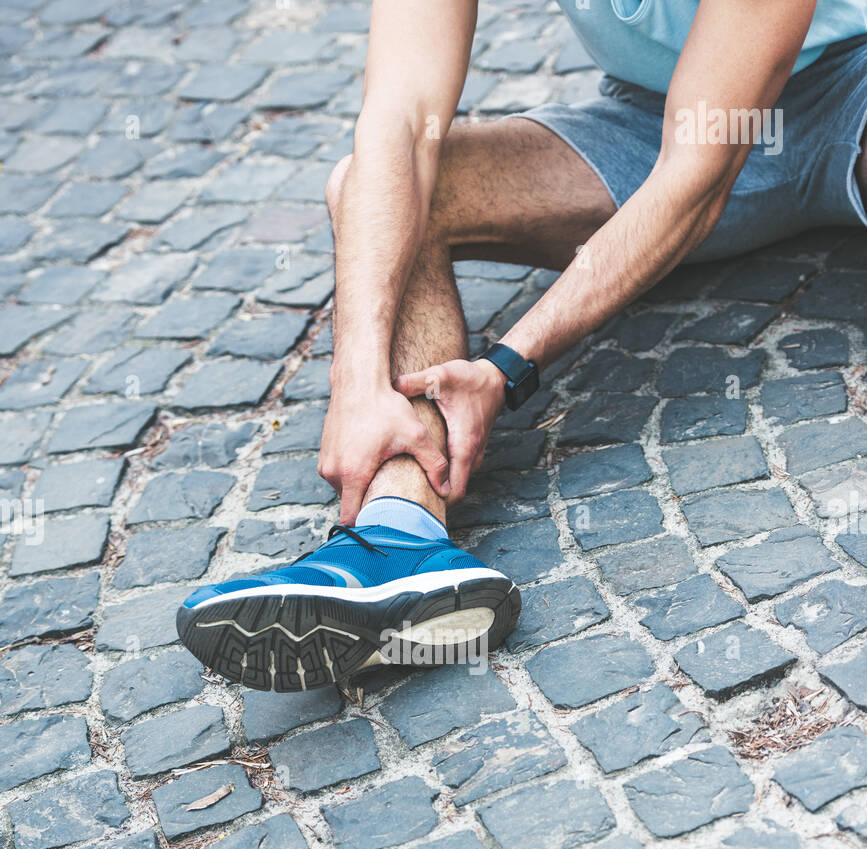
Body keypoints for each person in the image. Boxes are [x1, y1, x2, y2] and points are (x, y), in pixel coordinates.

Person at [177, 0, 867, 693]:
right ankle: (397, 538)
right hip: (652, 122)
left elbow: (699, 175)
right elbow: (398, 121)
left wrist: (506, 364)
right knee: (376, 188)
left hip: (843, 89)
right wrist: (355, 380)